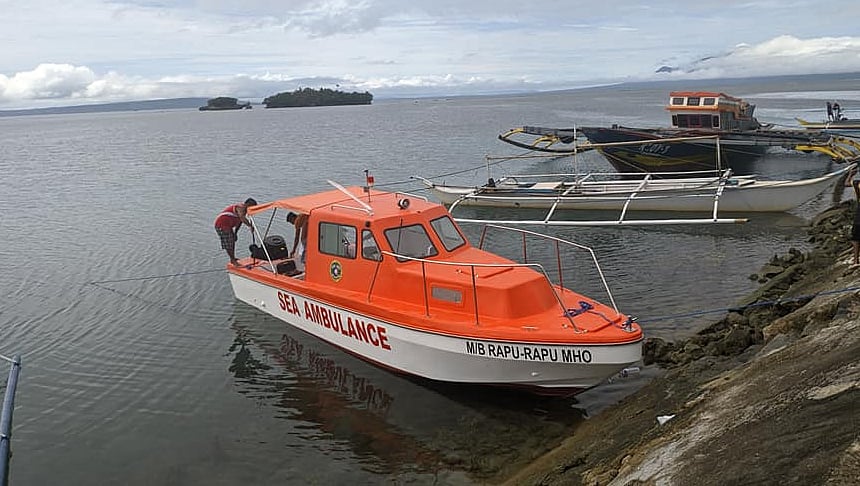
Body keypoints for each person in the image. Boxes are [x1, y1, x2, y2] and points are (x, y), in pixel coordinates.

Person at [215, 198, 257, 266]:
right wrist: (250, 226)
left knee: (232, 241)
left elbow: (240, 222)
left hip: (229, 226)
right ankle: (233, 260)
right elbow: (242, 218)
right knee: (229, 243)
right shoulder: (240, 207)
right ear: (247, 204)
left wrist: (235, 233)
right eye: (251, 206)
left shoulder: (244, 211)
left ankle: (233, 258)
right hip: (222, 224)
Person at [851, 175, 860, 266]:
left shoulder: (857, 183)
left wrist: (850, 174)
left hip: (859, 217)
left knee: (856, 239)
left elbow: (846, 183)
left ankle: (856, 261)